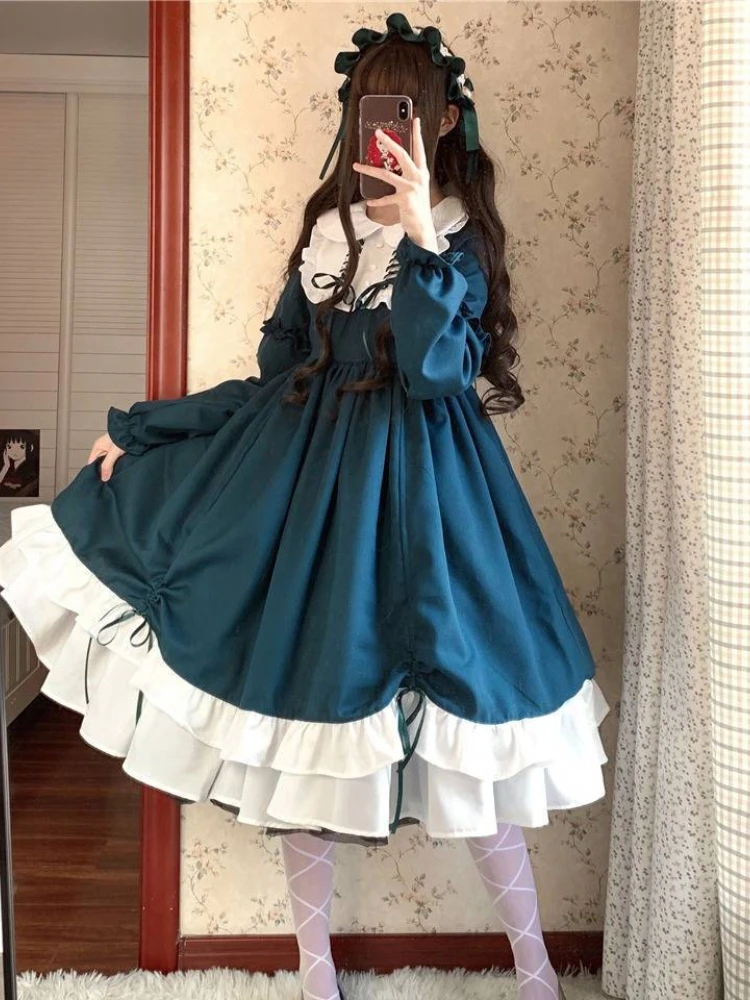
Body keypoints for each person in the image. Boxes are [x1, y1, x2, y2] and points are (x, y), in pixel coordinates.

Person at [0, 12, 609, 1000]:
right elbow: (275, 378)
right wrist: (147, 429)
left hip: (437, 509)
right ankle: (314, 973)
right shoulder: (328, 234)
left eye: (403, 109)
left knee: (477, 729)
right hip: (307, 511)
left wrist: (419, 238)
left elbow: (436, 372)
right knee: (302, 725)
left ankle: (536, 973)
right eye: (370, 108)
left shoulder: (456, 236)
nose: (385, 129)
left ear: (440, 120)